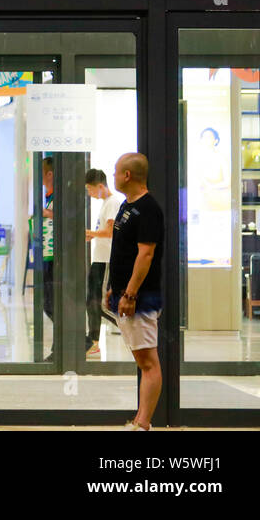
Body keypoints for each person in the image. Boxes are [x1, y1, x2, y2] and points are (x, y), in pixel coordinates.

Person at [105, 153, 163, 431]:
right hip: (124, 294)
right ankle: (141, 420)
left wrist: (129, 294)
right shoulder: (126, 206)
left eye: (116, 172)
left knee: (148, 361)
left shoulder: (148, 209)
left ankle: (143, 423)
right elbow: (121, 252)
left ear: (127, 175)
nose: (114, 176)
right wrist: (112, 288)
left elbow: (146, 254)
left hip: (141, 297)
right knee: (142, 359)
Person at [84, 168, 119, 358]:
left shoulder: (113, 202)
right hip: (99, 259)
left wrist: (92, 233)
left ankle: (126, 328)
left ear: (99, 186)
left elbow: (112, 230)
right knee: (93, 301)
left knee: (100, 303)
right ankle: (94, 341)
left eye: (89, 189)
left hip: (106, 260)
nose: (89, 193)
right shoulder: (106, 203)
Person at [36, 155, 57, 361]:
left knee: (52, 304)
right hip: (46, 255)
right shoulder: (48, 197)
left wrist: (44, 213)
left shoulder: (57, 197)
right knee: (47, 303)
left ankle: (60, 348)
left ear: (49, 174)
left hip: (54, 257)